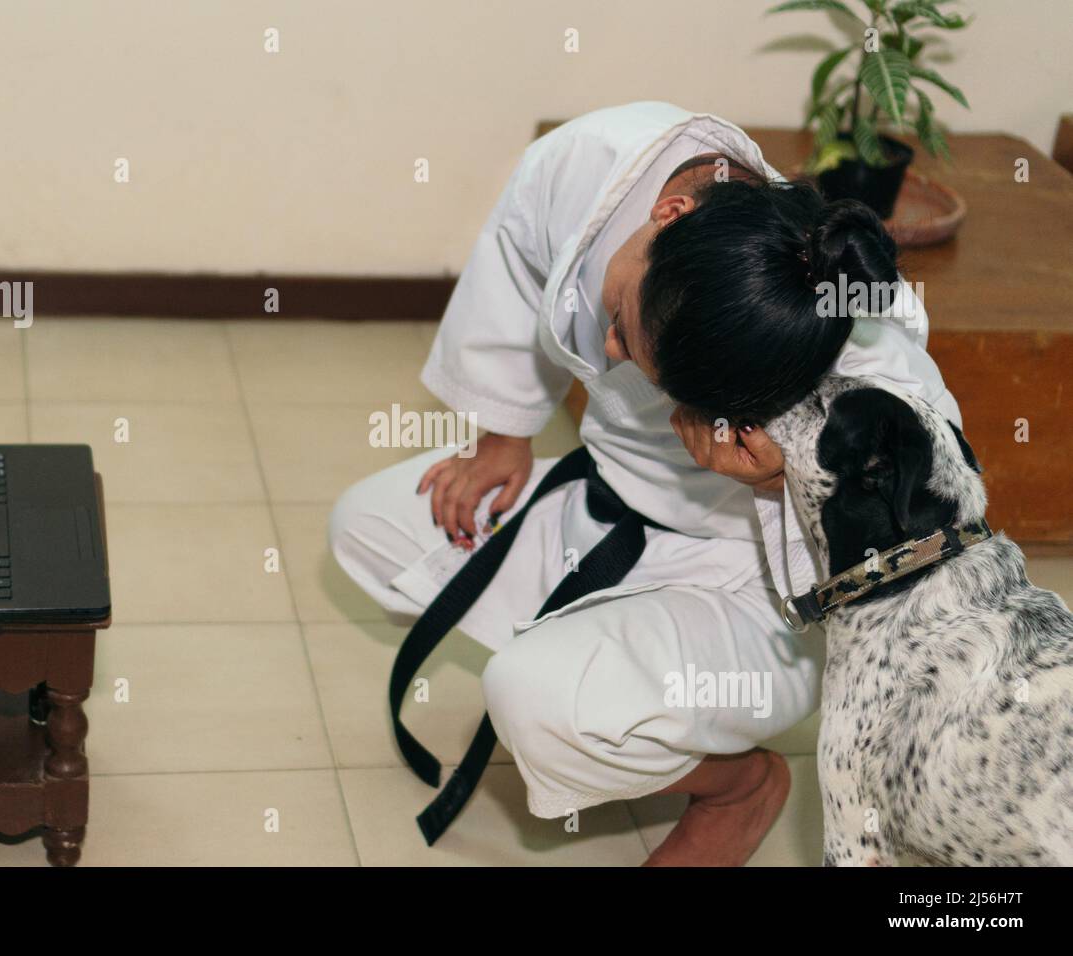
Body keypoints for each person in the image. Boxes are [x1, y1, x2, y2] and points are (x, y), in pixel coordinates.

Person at [329, 101, 959, 865]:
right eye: (625, 315)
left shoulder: (865, 356)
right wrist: (504, 435)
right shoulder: (604, 162)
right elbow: (517, 260)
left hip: (751, 591)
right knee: (371, 527)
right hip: (604, 503)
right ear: (668, 213)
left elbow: (915, 567)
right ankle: (606, 680)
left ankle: (735, 787)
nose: (607, 346)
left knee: (533, 697)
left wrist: (777, 485)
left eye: (628, 339)